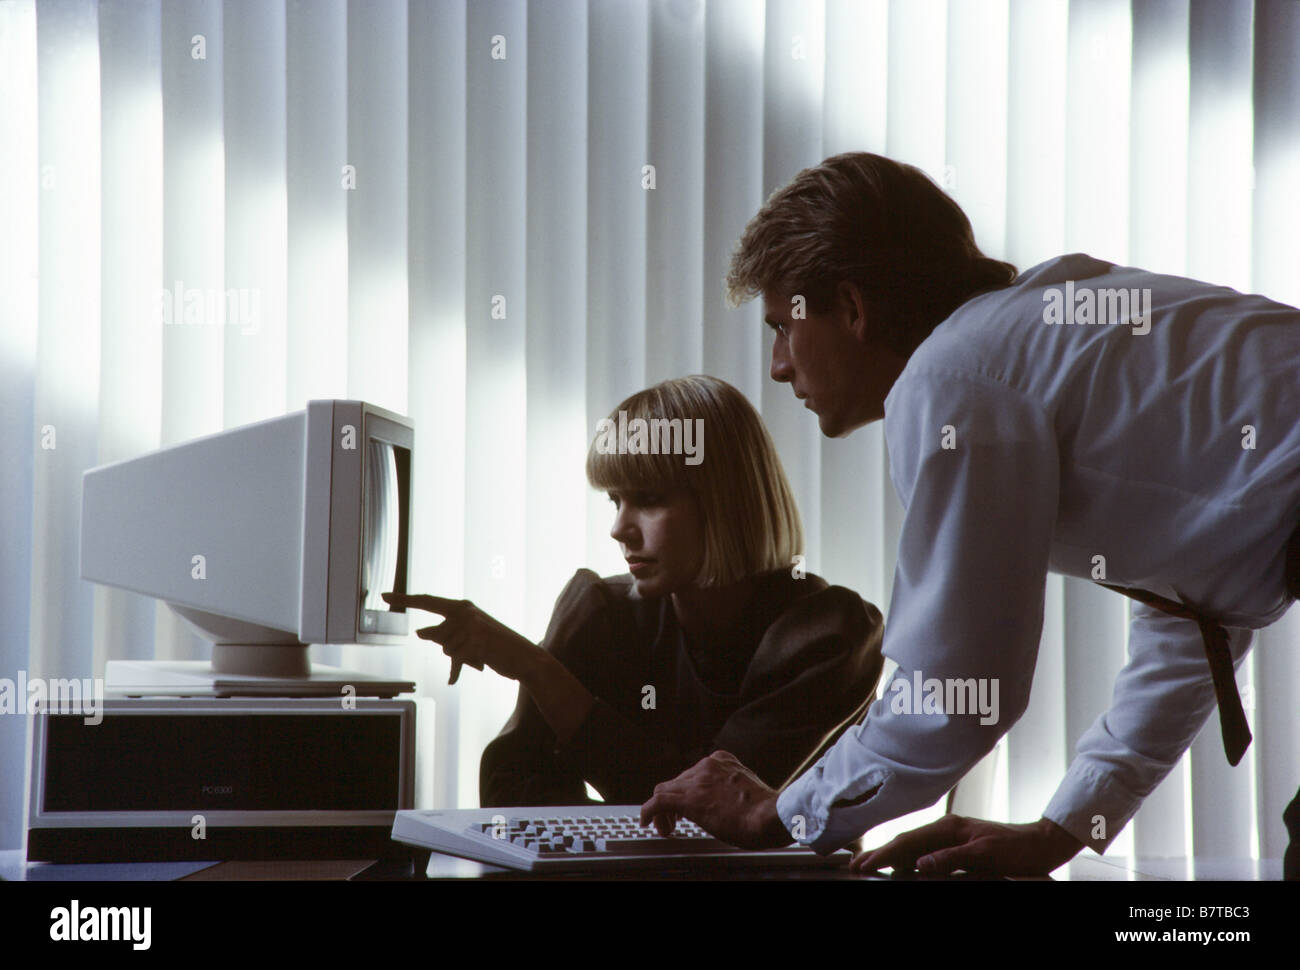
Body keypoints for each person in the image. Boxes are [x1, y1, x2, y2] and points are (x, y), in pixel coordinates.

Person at [638, 152, 1300, 878]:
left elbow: (956, 693)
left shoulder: (951, 378)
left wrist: (780, 813)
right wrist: (1058, 834)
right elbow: (1193, 622)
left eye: (782, 327)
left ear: (853, 310)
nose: (777, 366)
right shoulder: (1019, 347)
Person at [387, 374, 884, 807]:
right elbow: (513, 782)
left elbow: (709, 806)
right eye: (614, 500)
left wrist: (540, 671)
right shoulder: (602, 612)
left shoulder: (831, 637)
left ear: (727, 503)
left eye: (647, 500)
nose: (620, 528)